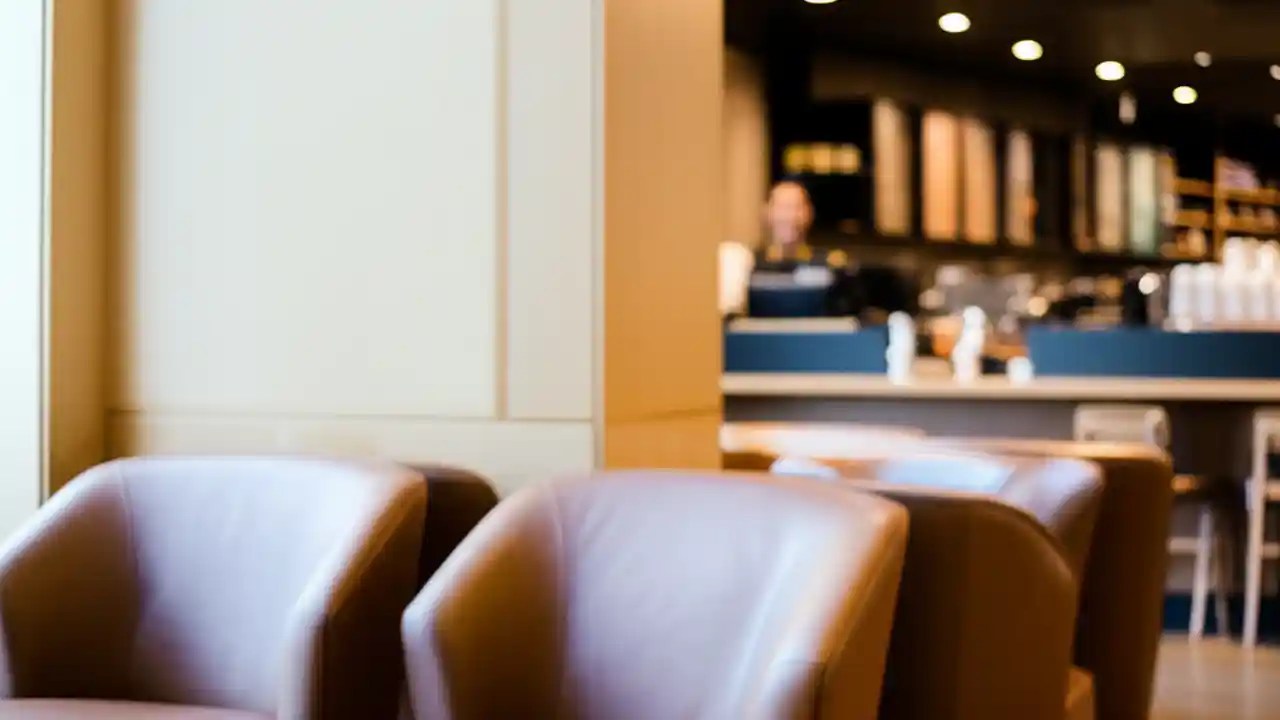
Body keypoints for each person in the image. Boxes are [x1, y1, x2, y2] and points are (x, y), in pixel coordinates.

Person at [718, 179, 860, 317]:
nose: (790, 217)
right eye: (782, 208)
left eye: (796, 208)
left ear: (809, 213)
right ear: (767, 212)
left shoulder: (830, 265)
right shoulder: (748, 265)